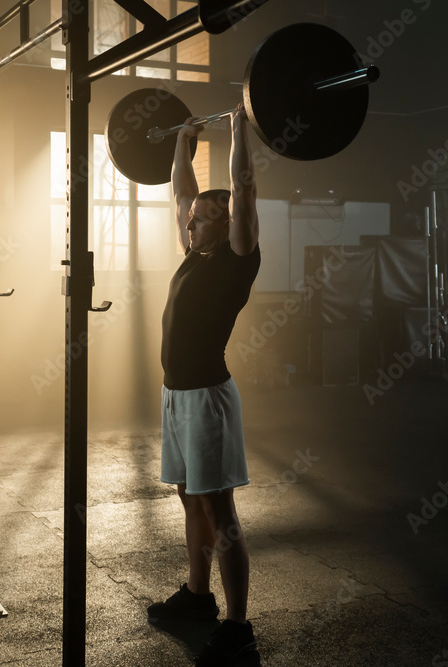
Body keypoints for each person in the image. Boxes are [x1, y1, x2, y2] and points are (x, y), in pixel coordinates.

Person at [148, 102, 261, 667]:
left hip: (207, 400)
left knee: (220, 510)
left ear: (227, 220)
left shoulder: (235, 259)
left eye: (203, 214)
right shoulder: (192, 252)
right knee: (189, 497)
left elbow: (242, 188)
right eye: (191, 216)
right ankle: (198, 596)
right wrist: (184, 141)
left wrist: (239, 128)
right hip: (175, 395)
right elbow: (179, 191)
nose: (190, 219)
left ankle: (238, 626)